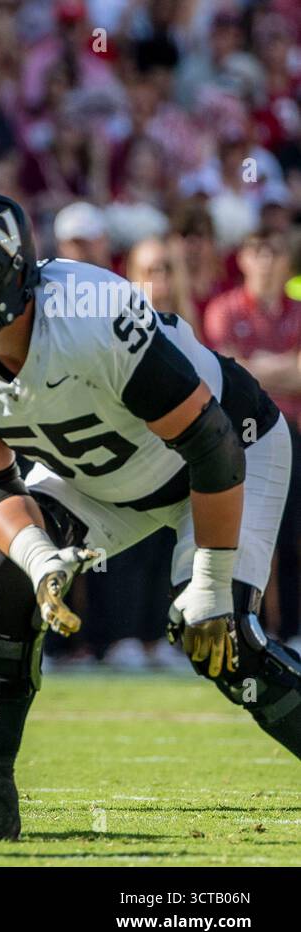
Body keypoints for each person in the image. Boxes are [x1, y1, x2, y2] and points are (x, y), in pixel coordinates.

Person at [0, 190, 299, 844]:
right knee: (6, 578)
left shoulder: (90, 316)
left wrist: (211, 579)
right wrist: (38, 555)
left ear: (8, 282)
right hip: (94, 480)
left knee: (225, 646)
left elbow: (211, 442)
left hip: (227, 453)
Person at [202, 230, 301, 643]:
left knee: (294, 537)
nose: (266, 260)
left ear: (286, 261)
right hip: (242, 436)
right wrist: (283, 368)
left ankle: (292, 630)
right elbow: (230, 373)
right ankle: (239, 626)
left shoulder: (297, 309)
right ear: (242, 259)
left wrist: (256, 366)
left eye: (275, 252)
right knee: (243, 537)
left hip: (294, 434)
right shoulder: (223, 309)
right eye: (258, 251)